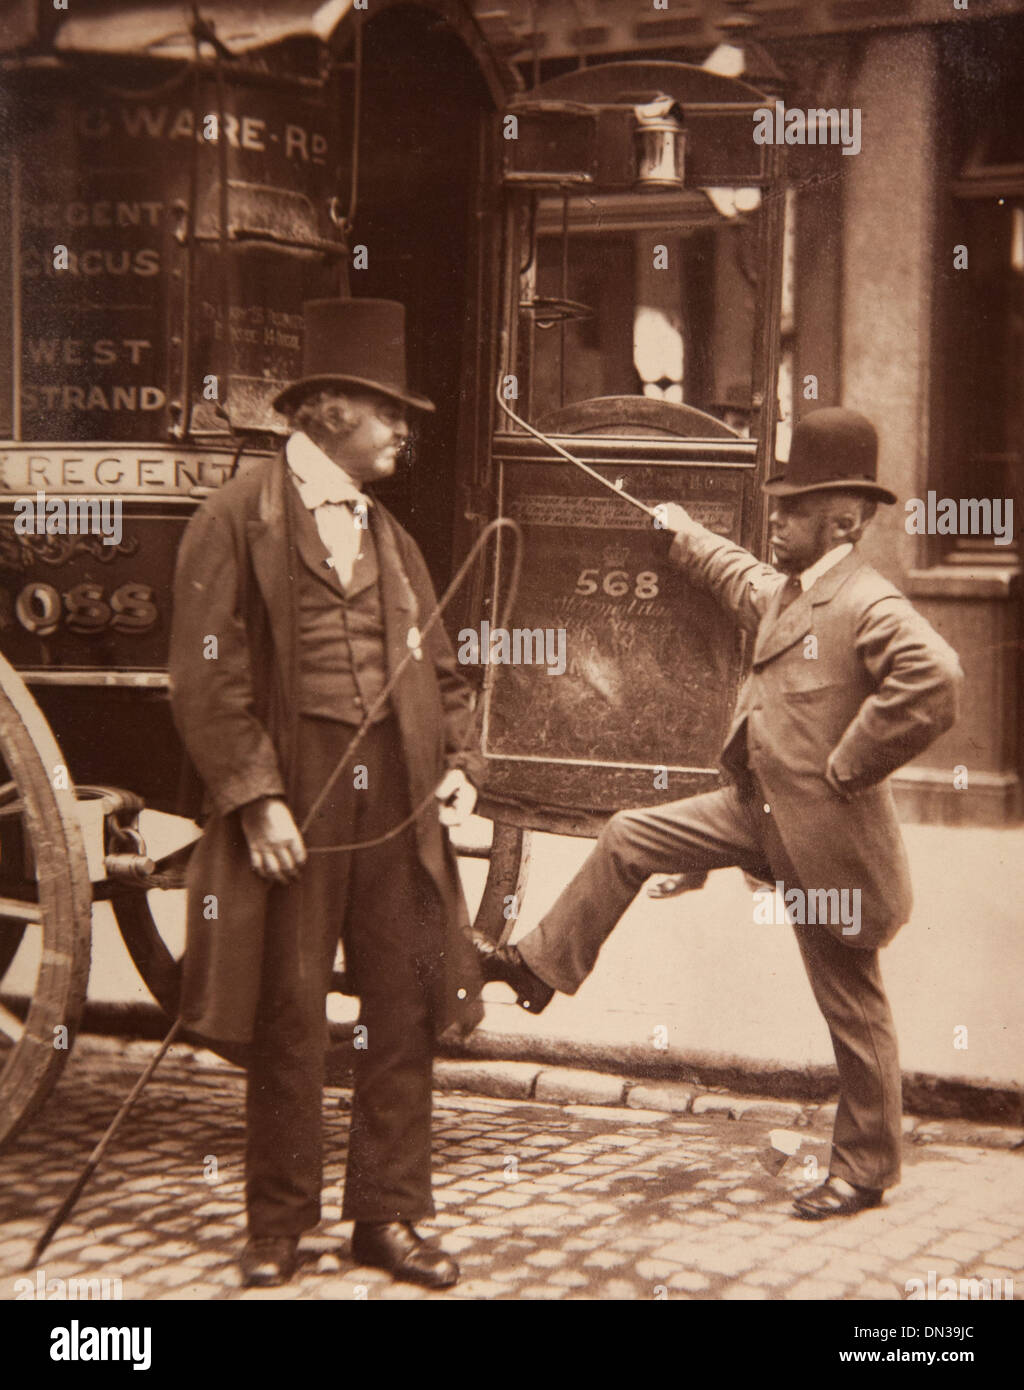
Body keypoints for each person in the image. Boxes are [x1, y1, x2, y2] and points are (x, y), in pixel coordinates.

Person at [476, 407, 963, 1221]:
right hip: (754, 811)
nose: (775, 519)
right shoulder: (796, 588)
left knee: (851, 1004)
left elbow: (938, 678)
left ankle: (866, 1169)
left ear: (843, 519)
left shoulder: (868, 604)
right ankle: (536, 967)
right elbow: (738, 573)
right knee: (631, 834)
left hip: (826, 842)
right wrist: (679, 532)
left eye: (792, 509)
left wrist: (850, 762)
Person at [169, 297, 484, 1288]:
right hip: (294, 785)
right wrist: (255, 796)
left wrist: (462, 762)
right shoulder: (236, 515)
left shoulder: (389, 534)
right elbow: (205, 670)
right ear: (334, 409)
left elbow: (438, 663)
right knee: (290, 1007)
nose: (406, 430)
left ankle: (387, 1218)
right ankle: (278, 1224)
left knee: (400, 1000)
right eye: (391, 410)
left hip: (392, 789)